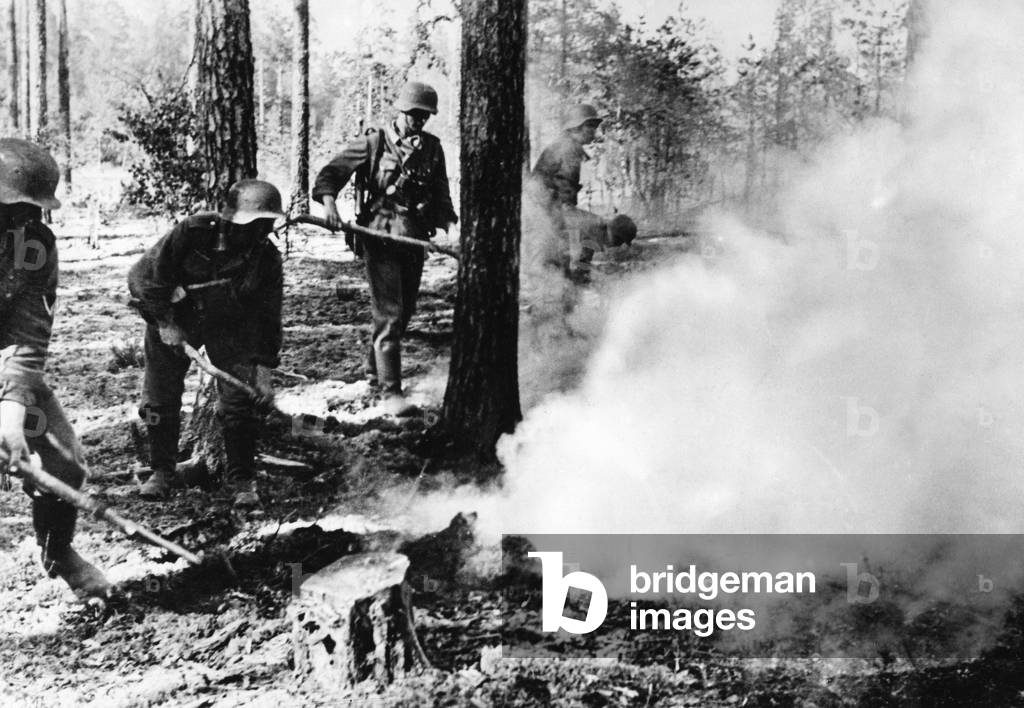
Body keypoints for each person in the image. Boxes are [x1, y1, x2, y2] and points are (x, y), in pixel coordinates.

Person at [128, 179, 284, 505]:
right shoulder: (194, 232)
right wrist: (166, 323)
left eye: (268, 225)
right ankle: (161, 471)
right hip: (175, 319)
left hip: (229, 327)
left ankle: (242, 481)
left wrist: (264, 374)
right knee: (158, 399)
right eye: (256, 225)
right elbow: (145, 279)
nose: (262, 233)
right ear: (233, 220)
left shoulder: (266, 258)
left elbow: (268, 319)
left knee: (240, 402)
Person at [0, 138, 109, 598]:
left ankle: (58, 551)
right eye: (13, 210)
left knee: (64, 462)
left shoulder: (34, 245)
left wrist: (11, 409)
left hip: (4, 364)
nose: (23, 221)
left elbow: (28, 332)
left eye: (30, 212)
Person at [313, 80, 458, 417]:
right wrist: (329, 204)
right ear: (400, 110)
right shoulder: (374, 142)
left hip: (414, 240)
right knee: (390, 314)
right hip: (380, 237)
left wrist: (451, 226)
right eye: (413, 115)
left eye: (424, 117)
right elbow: (331, 173)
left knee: (403, 313)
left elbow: (442, 195)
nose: (418, 122)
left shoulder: (433, 149)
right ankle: (391, 392)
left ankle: (372, 373)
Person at [531, 103, 606, 283]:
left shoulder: (564, 145)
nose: (593, 132)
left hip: (544, 209)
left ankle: (568, 282)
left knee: (558, 253)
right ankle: (580, 277)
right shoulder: (568, 149)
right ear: (576, 127)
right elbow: (564, 184)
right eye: (590, 127)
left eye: (594, 127)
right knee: (596, 226)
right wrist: (567, 215)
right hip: (548, 209)